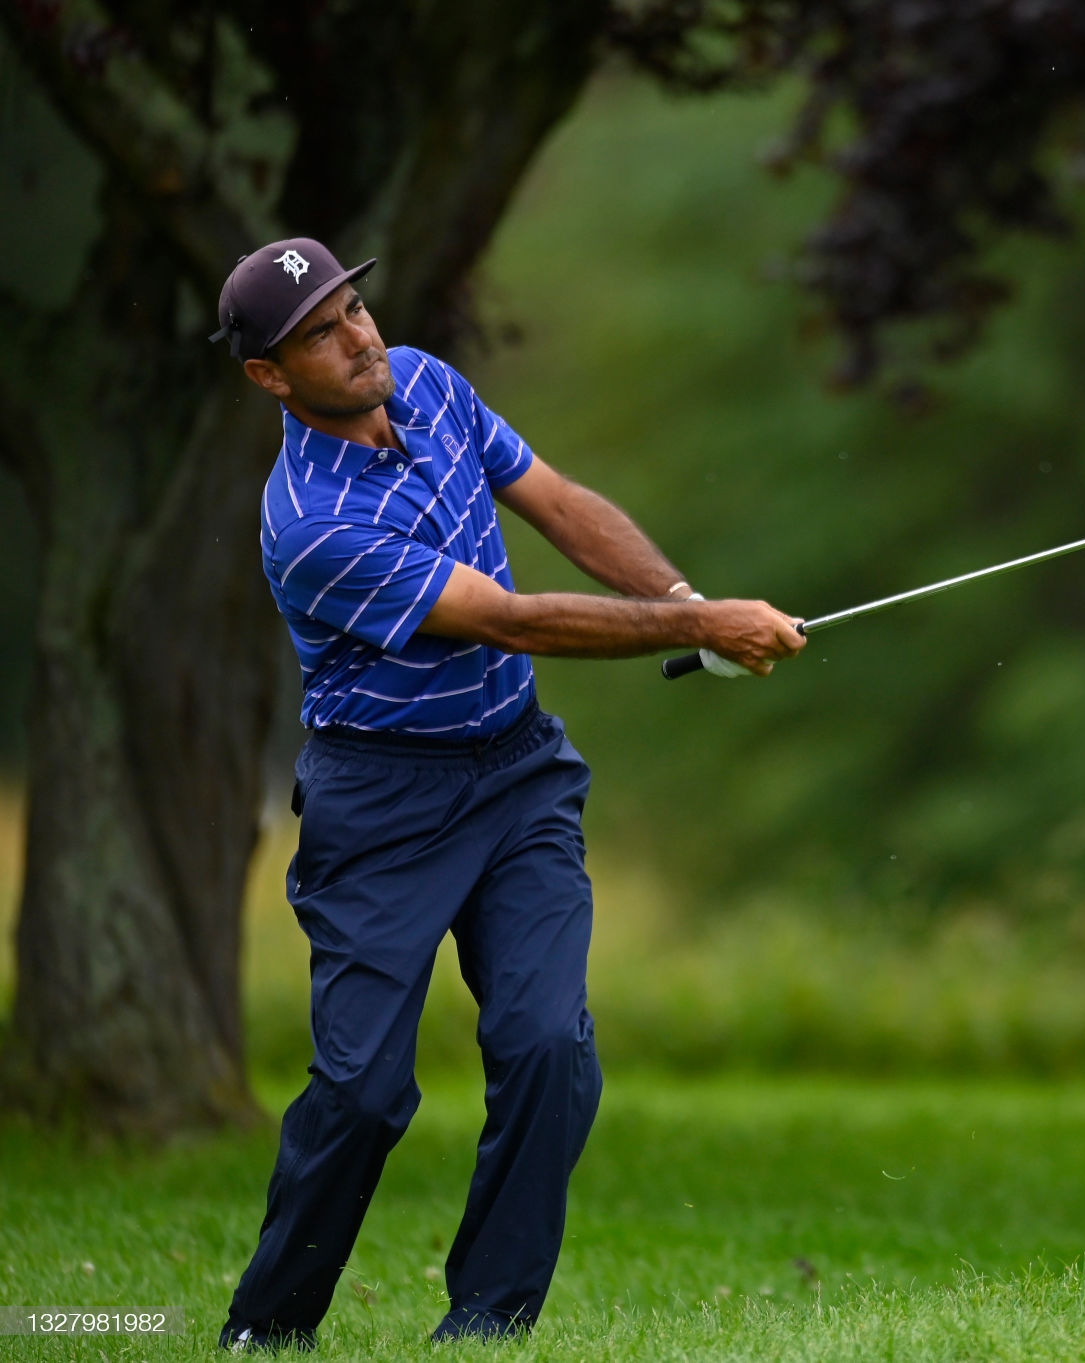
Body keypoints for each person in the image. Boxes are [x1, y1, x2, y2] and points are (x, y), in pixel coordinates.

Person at [208, 238, 806, 1350]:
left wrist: (685, 595)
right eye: (321, 336)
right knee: (364, 1092)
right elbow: (514, 619)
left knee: (545, 1049)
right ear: (269, 376)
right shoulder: (312, 524)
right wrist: (696, 627)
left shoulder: (431, 385)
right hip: (381, 807)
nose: (358, 337)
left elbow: (559, 502)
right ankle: (270, 1327)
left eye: (355, 308)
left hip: (517, 773)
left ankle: (486, 1323)